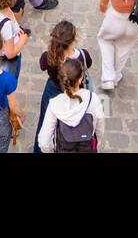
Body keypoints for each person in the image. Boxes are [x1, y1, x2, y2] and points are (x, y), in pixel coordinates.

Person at [33, 20, 93, 152]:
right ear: (72, 40)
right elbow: (89, 64)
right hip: (75, 92)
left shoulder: (49, 57)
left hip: (52, 91)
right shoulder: (82, 56)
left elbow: (42, 65)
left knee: (45, 122)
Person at [38, 59, 104, 152]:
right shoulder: (93, 99)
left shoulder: (54, 104)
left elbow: (44, 142)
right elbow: (100, 129)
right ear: (81, 78)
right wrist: (99, 144)